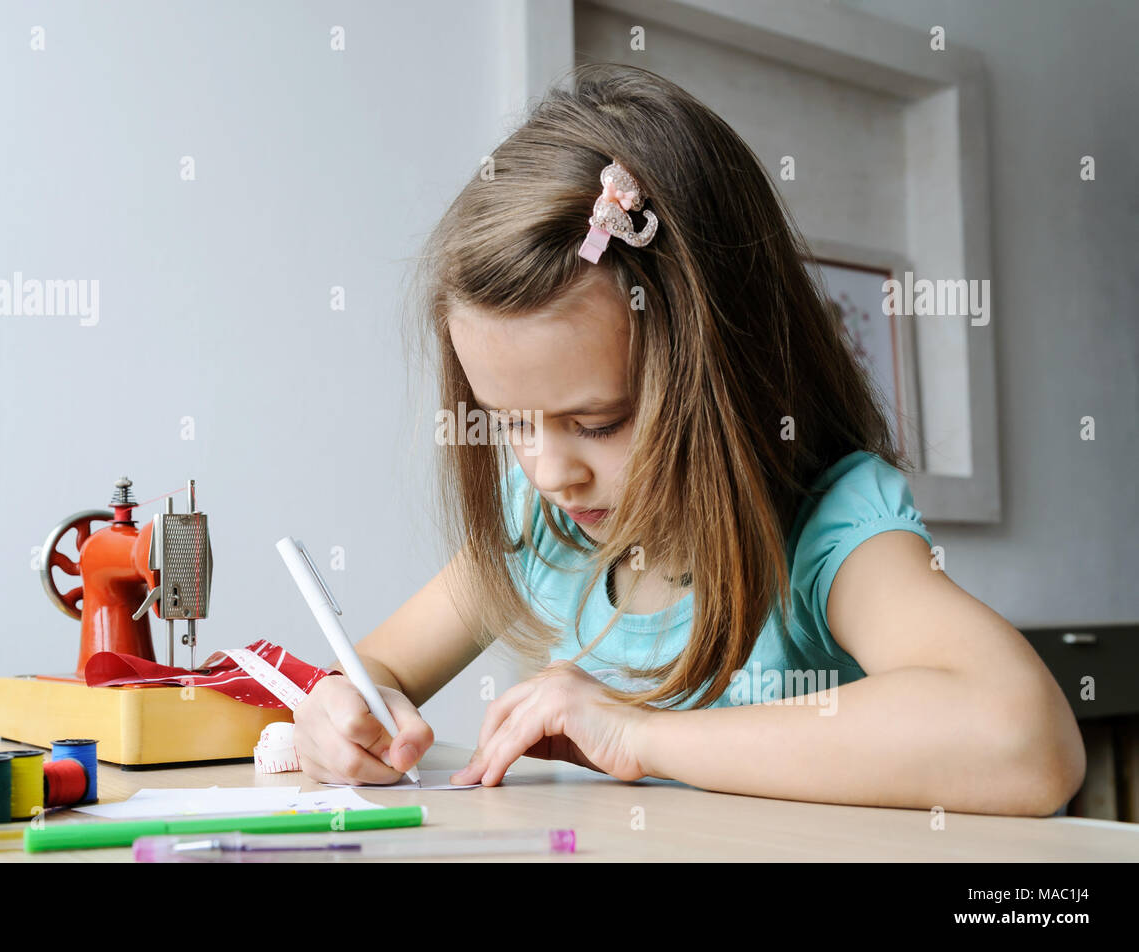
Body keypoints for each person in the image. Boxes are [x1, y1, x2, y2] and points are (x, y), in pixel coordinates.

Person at [293, 64, 1084, 816]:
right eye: (509, 424)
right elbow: (376, 676)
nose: (549, 470)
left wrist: (640, 736)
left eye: (598, 423)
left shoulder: (826, 526)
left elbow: (1026, 740)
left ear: (727, 370)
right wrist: (340, 713)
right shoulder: (537, 527)